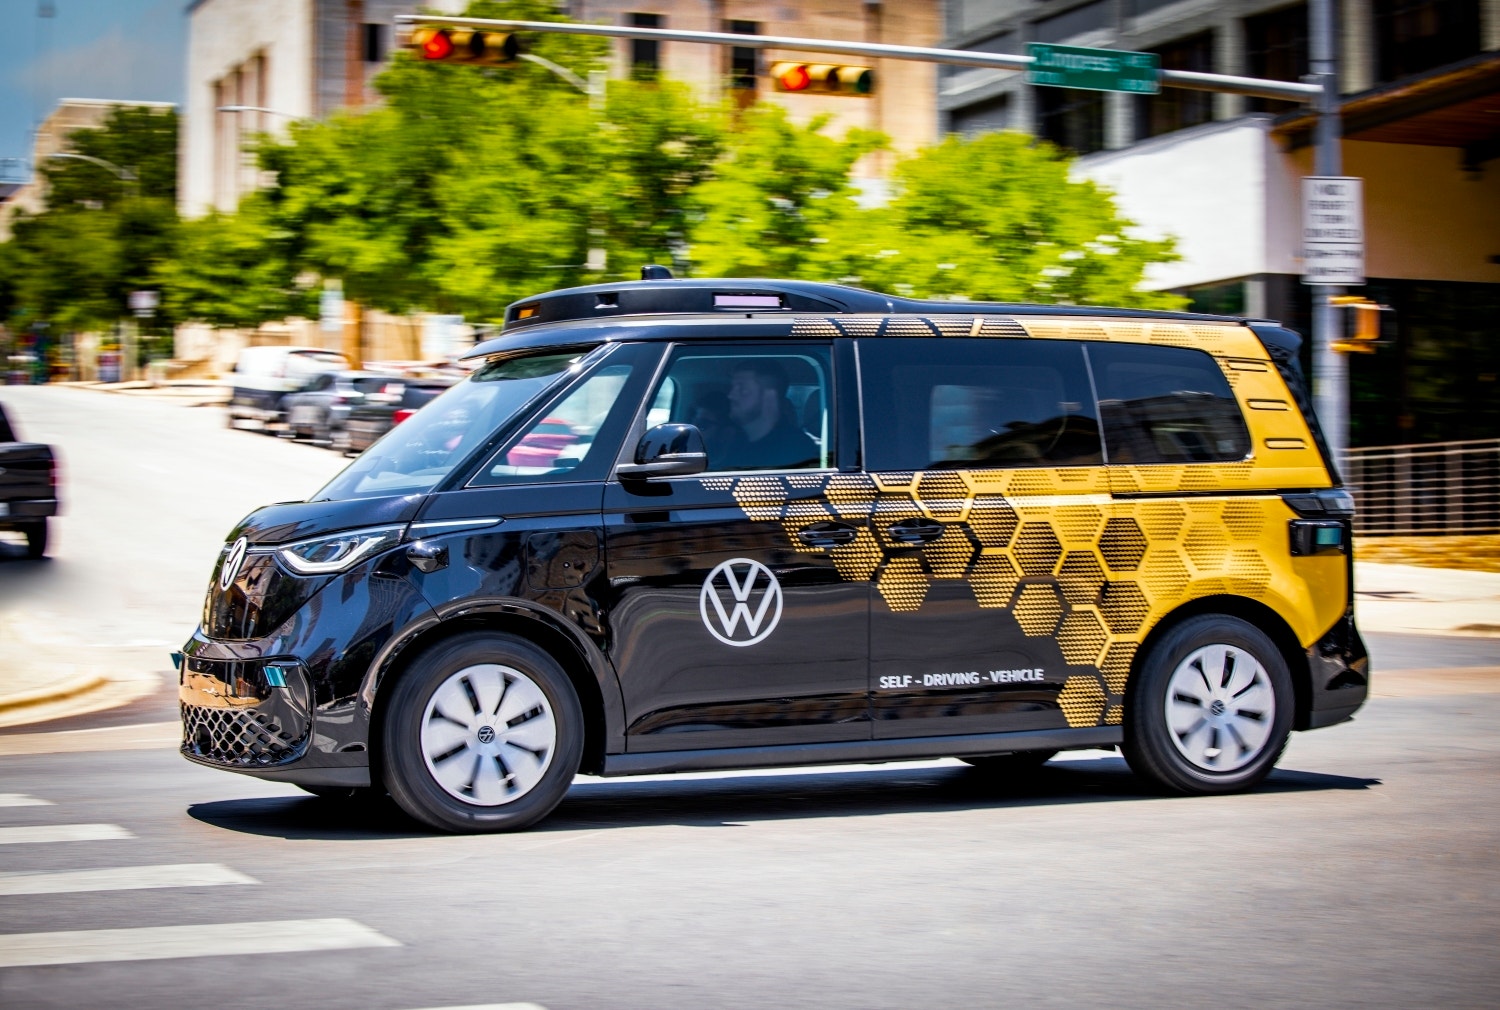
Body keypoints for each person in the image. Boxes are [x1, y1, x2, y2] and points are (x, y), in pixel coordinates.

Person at [717, 360, 819, 471]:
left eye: (743, 389)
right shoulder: (736, 440)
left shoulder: (796, 447)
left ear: (769, 398)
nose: (731, 396)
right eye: (732, 387)